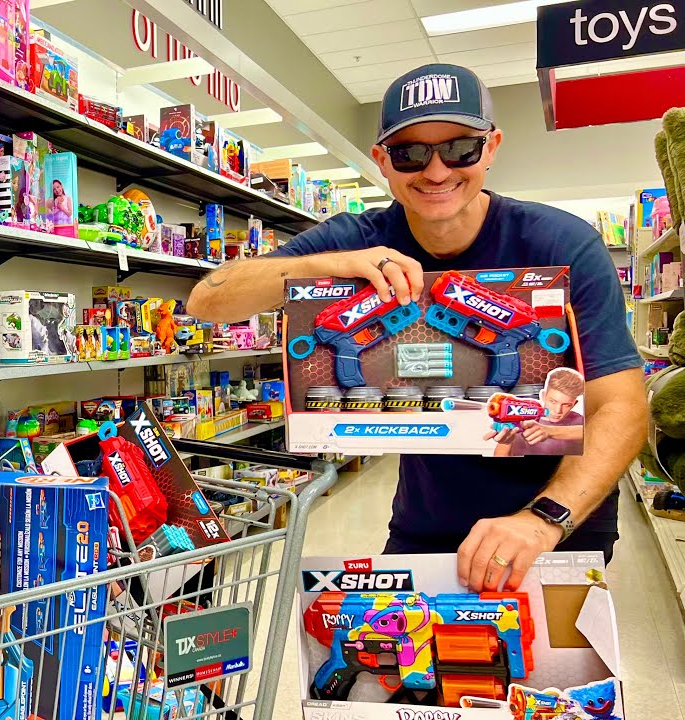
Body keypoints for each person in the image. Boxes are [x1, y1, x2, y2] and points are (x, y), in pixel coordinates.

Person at [186, 63, 647, 593]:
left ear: (491, 148)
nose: (435, 172)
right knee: (402, 665)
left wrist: (542, 520)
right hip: (425, 523)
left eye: (459, 148)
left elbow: (622, 406)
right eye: (409, 152)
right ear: (383, 160)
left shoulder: (561, 244)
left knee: (537, 674)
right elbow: (208, 300)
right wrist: (324, 266)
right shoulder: (358, 236)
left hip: (554, 525)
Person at [494, 368, 585, 457]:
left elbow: (586, 432)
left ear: (574, 404)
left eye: (566, 405)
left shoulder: (578, 421)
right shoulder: (522, 414)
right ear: (543, 396)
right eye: (553, 401)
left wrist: (549, 431)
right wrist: (506, 440)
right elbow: (500, 455)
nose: (558, 410)